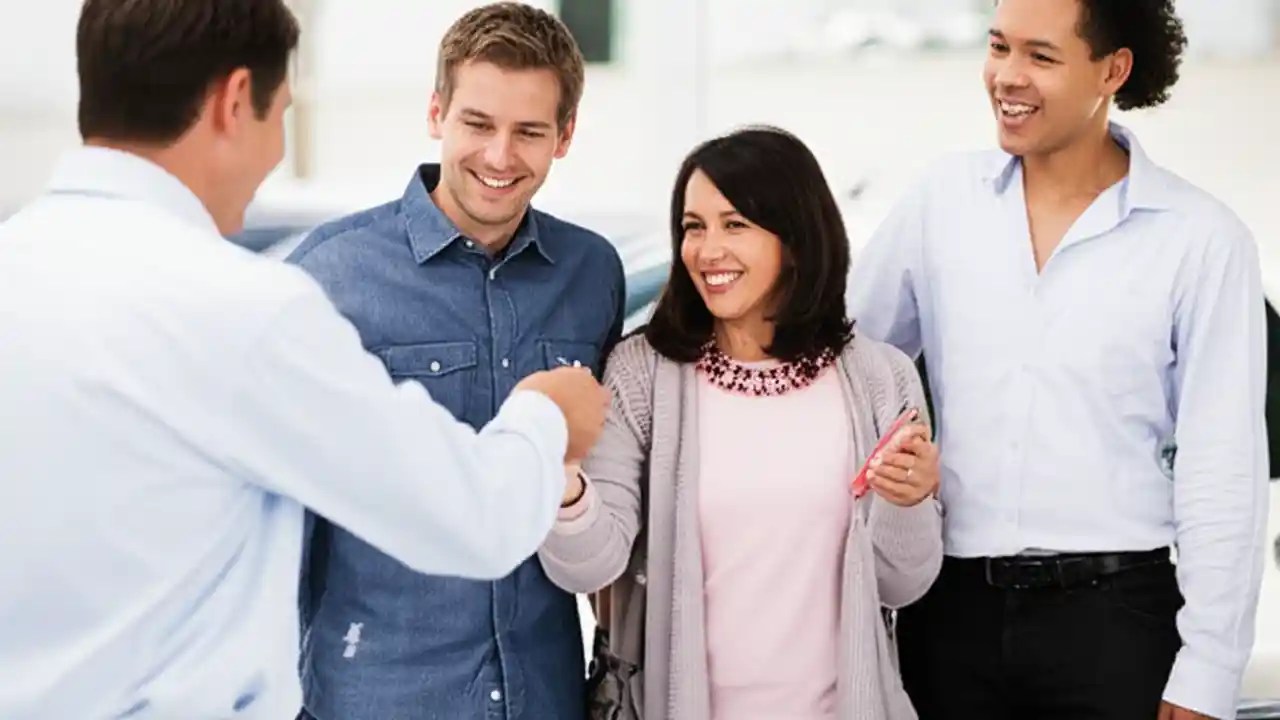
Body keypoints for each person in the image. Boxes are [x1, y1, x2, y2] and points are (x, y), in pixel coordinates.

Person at [0, 1, 609, 718]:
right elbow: (472, 516)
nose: (275, 156)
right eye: (281, 112)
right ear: (235, 102)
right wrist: (543, 415)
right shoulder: (246, 309)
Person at [847, 1, 1268, 719]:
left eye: (1040, 57)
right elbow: (842, 367)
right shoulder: (941, 203)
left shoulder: (1201, 240)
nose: (1007, 77)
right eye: (999, 47)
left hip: (1115, 628)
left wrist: (1208, 671)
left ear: (1114, 69)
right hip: (949, 618)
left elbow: (1223, 468)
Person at [287, 4, 626, 719]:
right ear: (437, 112)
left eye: (529, 131)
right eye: (478, 124)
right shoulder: (332, 275)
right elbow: (280, 515)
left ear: (564, 136)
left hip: (544, 695)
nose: (500, 157)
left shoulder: (592, 275)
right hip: (378, 697)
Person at [538, 126, 945, 720]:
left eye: (735, 225)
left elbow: (901, 585)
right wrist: (568, 481)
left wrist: (910, 499)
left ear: (797, 241)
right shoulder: (640, 374)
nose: (707, 250)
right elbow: (587, 565)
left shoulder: (880, 379)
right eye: (693, 226)